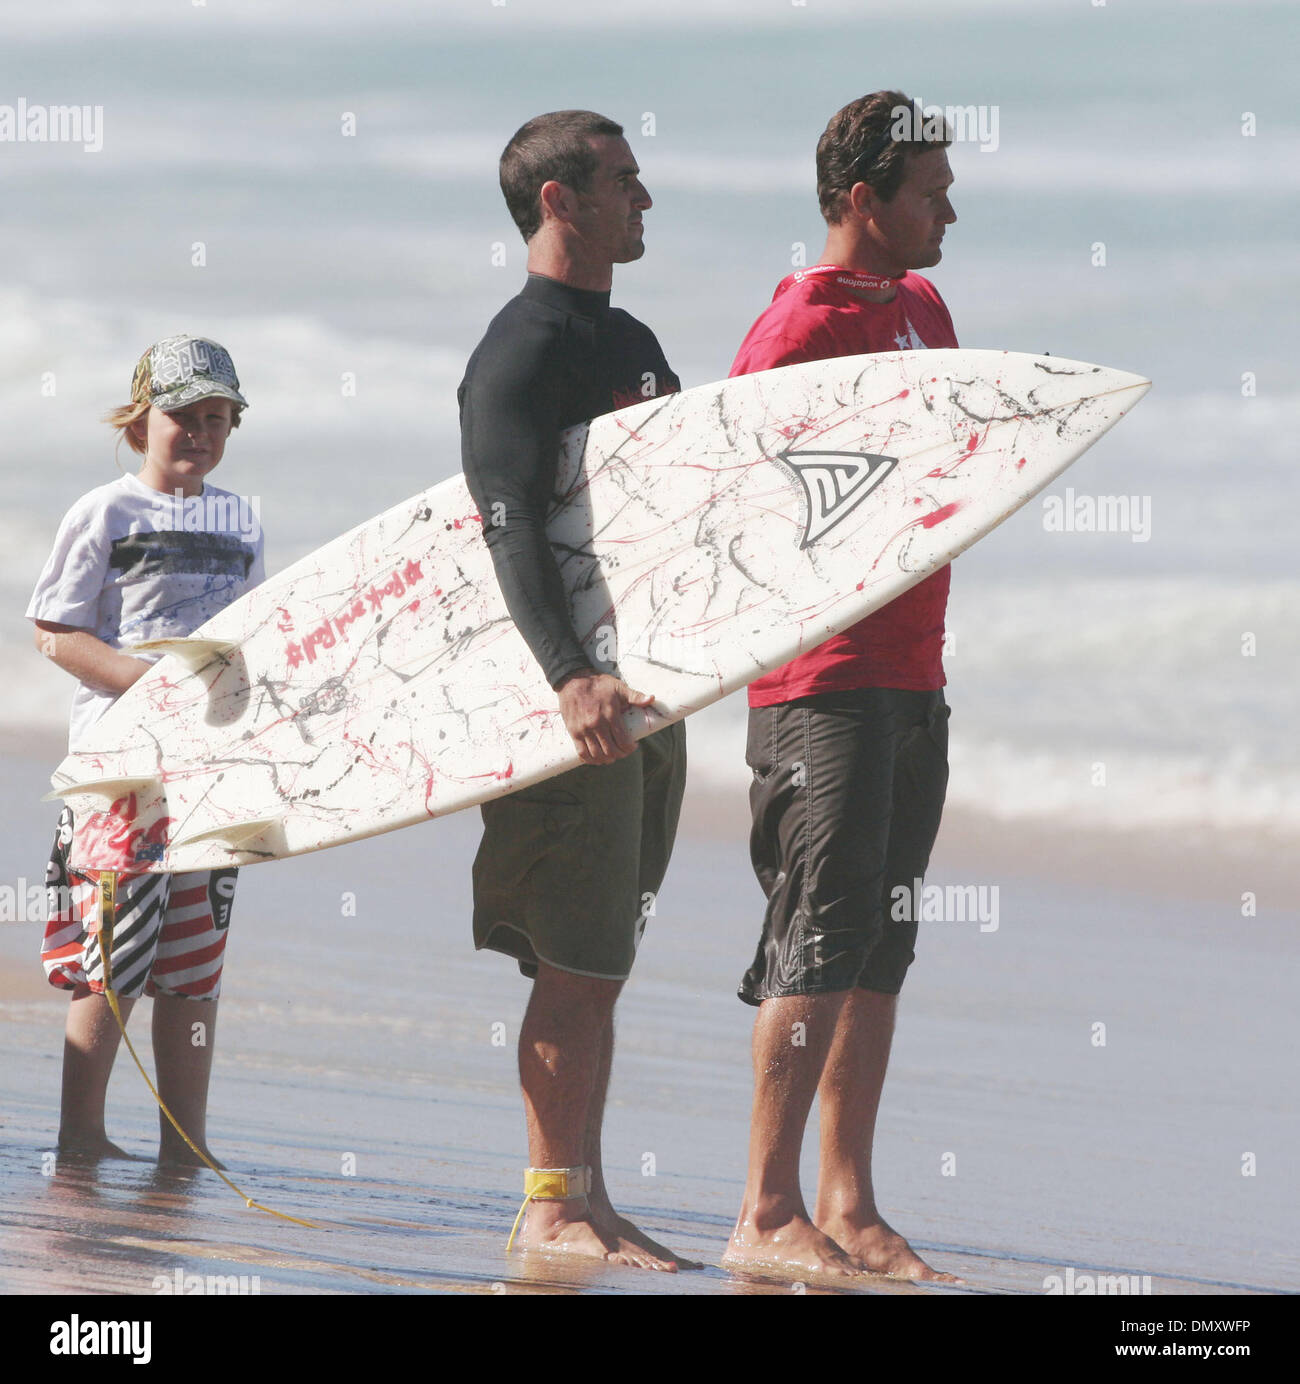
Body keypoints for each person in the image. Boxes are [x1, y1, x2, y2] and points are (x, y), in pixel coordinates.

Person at [721, 92, 961, 1282]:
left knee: (882, 942)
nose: (950, 212)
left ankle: (848, 1201)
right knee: (814, 938)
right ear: (862, 200)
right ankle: (766, 1212)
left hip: (913, 671)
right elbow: (740, 520)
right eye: (930, 191)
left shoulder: (921, 309)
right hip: (819, 685)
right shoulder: (791, 335)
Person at [458, 111, 692, 1272]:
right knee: (572, 952)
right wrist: (569, 677)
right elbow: (505, 528)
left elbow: (685, 512)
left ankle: (587, 1193)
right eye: (624, 181)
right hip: (576, 698)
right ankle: (549, 1202)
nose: (644, 199)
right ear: (561, 202)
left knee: (604, 959)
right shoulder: (518, 352)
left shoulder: (635, 339)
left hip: (649, 696)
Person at [29, 335, 263, 1165]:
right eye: (182, 416)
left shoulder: (240, 518)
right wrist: (141, 682)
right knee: (112, 962)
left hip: (207, 779)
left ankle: (183, 1140)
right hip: (118, 778)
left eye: (217, 417)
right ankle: (81, 1136)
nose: (199, 432)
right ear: (140, 422)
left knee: (193, 970)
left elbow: (251, 640)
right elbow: (54, 631)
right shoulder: (105, 513)